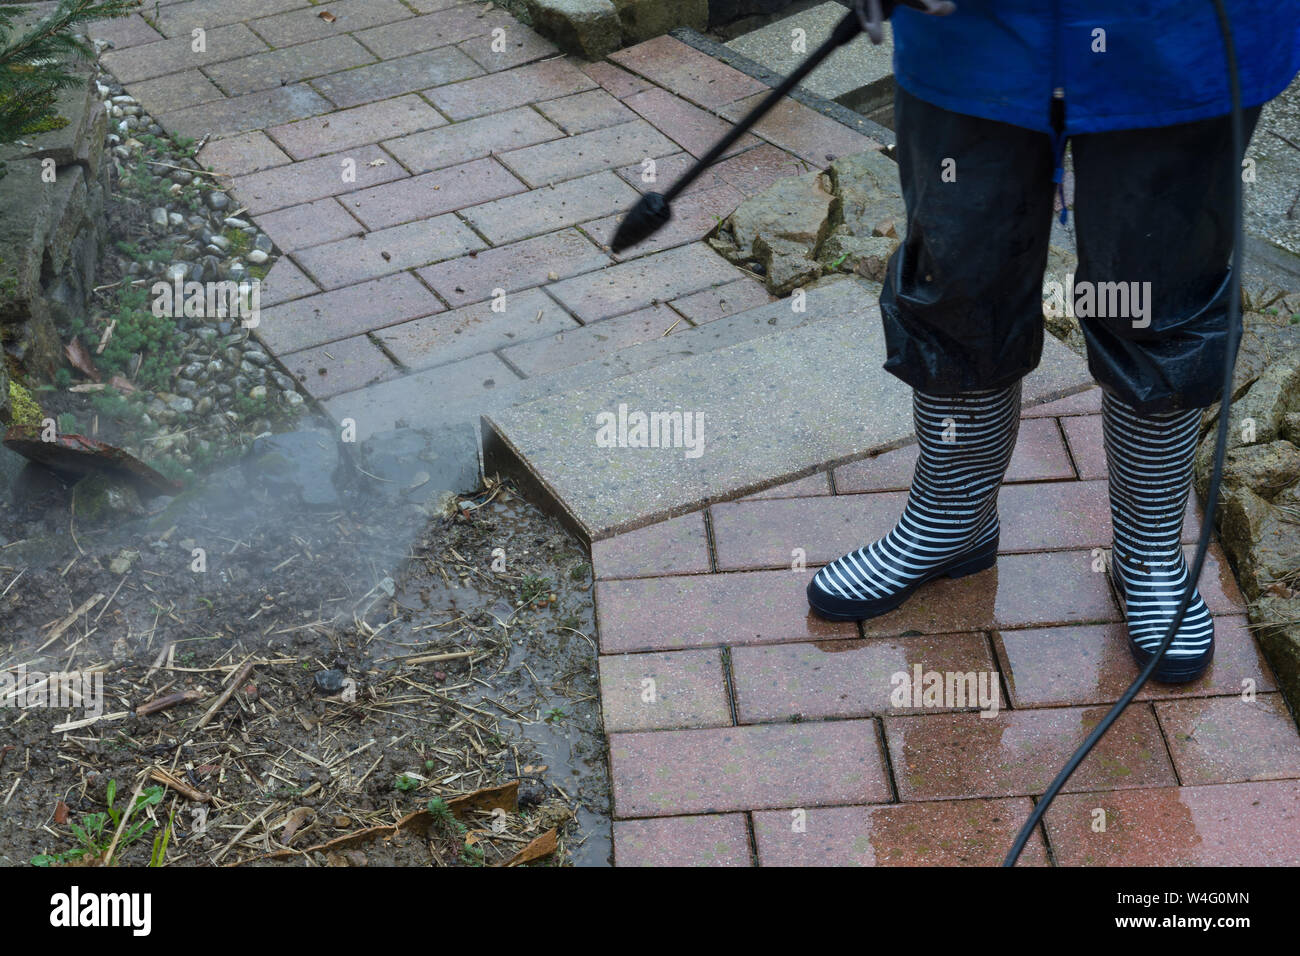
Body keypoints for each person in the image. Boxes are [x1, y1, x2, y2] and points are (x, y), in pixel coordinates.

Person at [806, 0, 1300, 682]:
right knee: (957, 275)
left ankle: (1149, 553)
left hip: (1180, 34)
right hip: (972, 33)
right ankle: (952, 520)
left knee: (1161, 295)